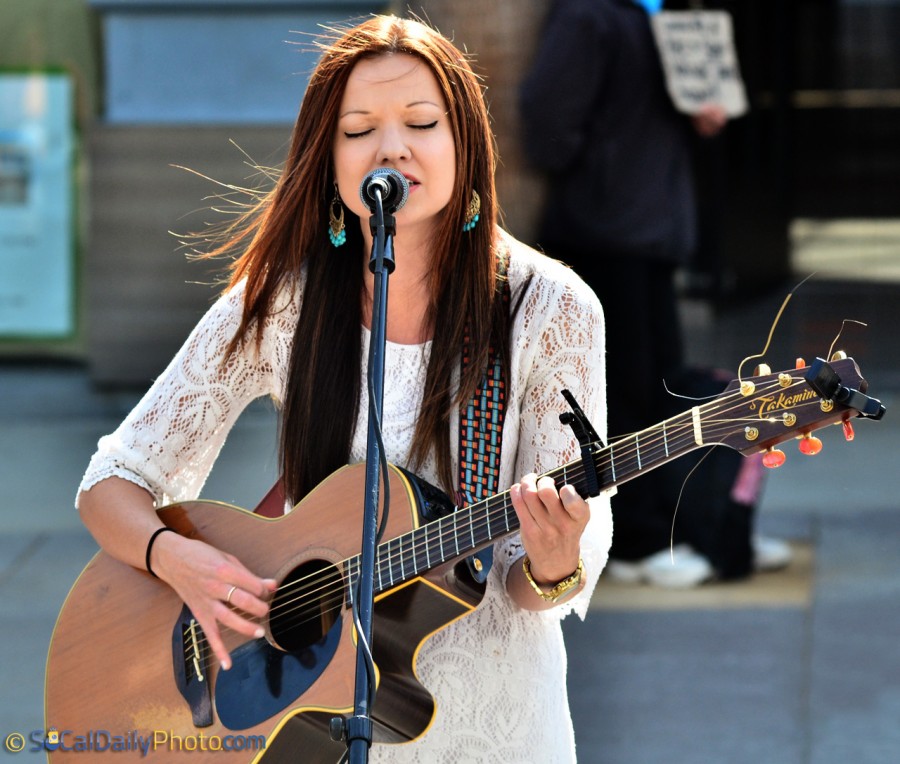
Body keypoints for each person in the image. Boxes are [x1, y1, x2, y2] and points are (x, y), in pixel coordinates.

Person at [75, 15, 610, 762]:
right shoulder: (282, 303)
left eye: (421, 122)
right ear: (328, 161)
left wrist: (557, 558)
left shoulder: (547, 307)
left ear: (466, 143)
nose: (392, 147)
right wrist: (176, 558)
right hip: (310, 721)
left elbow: (531, 586)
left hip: (496, 722)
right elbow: (113, 481)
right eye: (359, 130)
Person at [520, 0, 789, 587]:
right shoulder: (589, 13)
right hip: (601, 237)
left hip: (643, 233)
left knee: (661, 389)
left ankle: (696, 530)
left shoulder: (646, 13)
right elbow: (545, 122)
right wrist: (606, 174)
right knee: (622, 395)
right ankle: (634, 542)